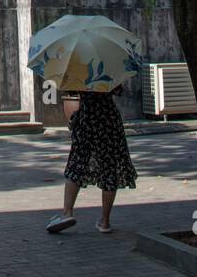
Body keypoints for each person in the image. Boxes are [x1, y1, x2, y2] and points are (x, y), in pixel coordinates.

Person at [47, 85, 137, 233]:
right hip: (109, 119)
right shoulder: (110, 66)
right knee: (109, 167)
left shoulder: (82, 67)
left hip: (87, 118)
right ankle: (105, 221)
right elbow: (119, 90)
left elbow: (72, 90)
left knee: (77, 162)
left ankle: (67, 212)